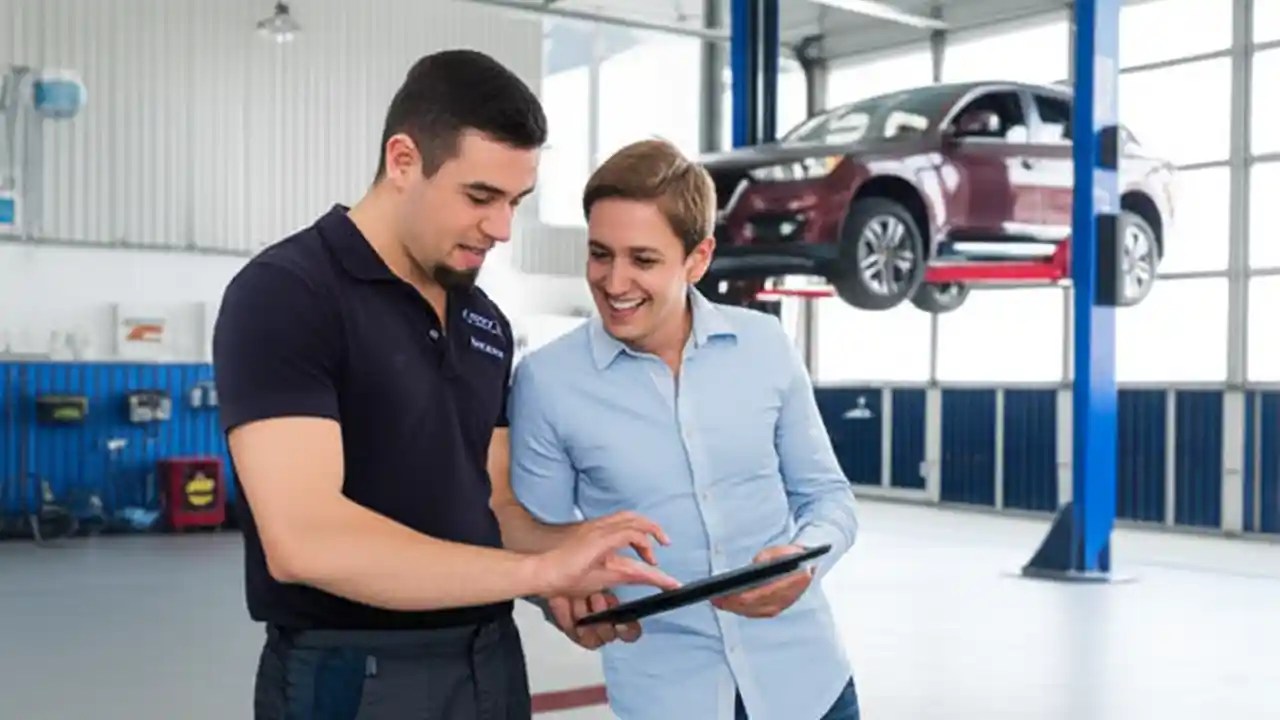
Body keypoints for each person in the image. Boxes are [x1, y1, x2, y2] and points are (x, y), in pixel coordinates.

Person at [211, 50, 677, 720]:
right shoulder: (289, 294)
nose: (502, 228)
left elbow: (494, 508)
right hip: (352, 671)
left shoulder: (483, 320)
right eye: (481, 197)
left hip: (488, 660)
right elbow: (303, 537)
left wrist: (572, 565)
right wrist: (535, 574)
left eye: (516, 202)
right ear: (403, 161)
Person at [503, 138, 862, 720]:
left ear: (697, 259)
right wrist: (557, 597)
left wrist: (804, 560)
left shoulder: (765, 347)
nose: (614, 282)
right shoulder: (546, 382)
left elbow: (828, 497)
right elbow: (536, 542)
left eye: (643, 260)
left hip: (810, 687)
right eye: (600, 254)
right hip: (668, 697)